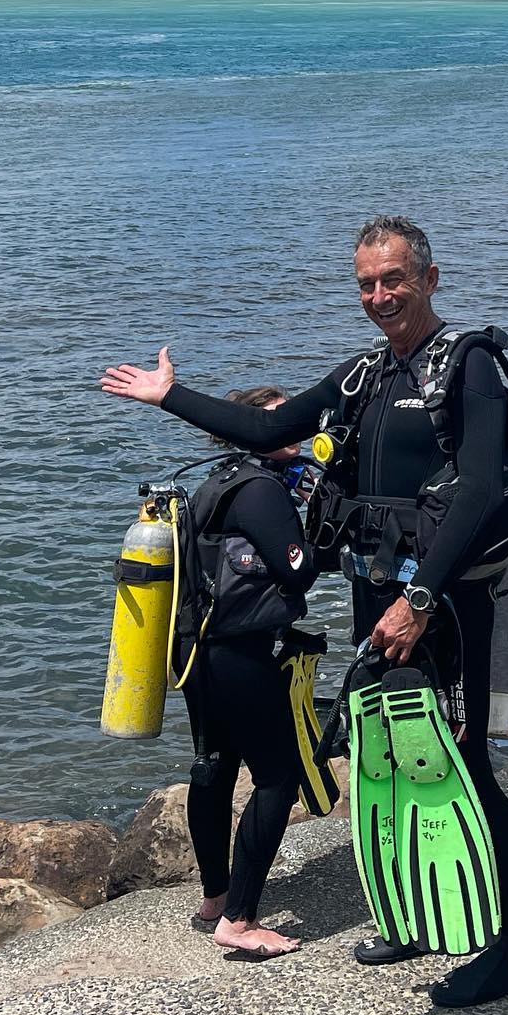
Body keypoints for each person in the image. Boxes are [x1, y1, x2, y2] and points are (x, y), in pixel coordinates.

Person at [102, 215, 508, 1008]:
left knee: (468, 769)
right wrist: (171, 396)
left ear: (429, 278)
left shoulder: (469, 366)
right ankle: (417, 914)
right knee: (392, 764)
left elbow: (477, 487)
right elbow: (271, 426)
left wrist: (421, 598)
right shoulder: (366, 375)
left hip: (452, 604)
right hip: (382, 601)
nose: (380, 295)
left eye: (394, 280)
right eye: (367, 283)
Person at [182, 386, 323, 960]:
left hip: (197, 654)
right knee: (276, 778)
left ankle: (216, 896)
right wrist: (317, 544)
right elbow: (298, 573)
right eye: (274, 420)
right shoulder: (262, 489)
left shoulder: (215, 482)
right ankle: (239, 920)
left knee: (214, 766)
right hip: (244, 652)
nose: (288, 426)